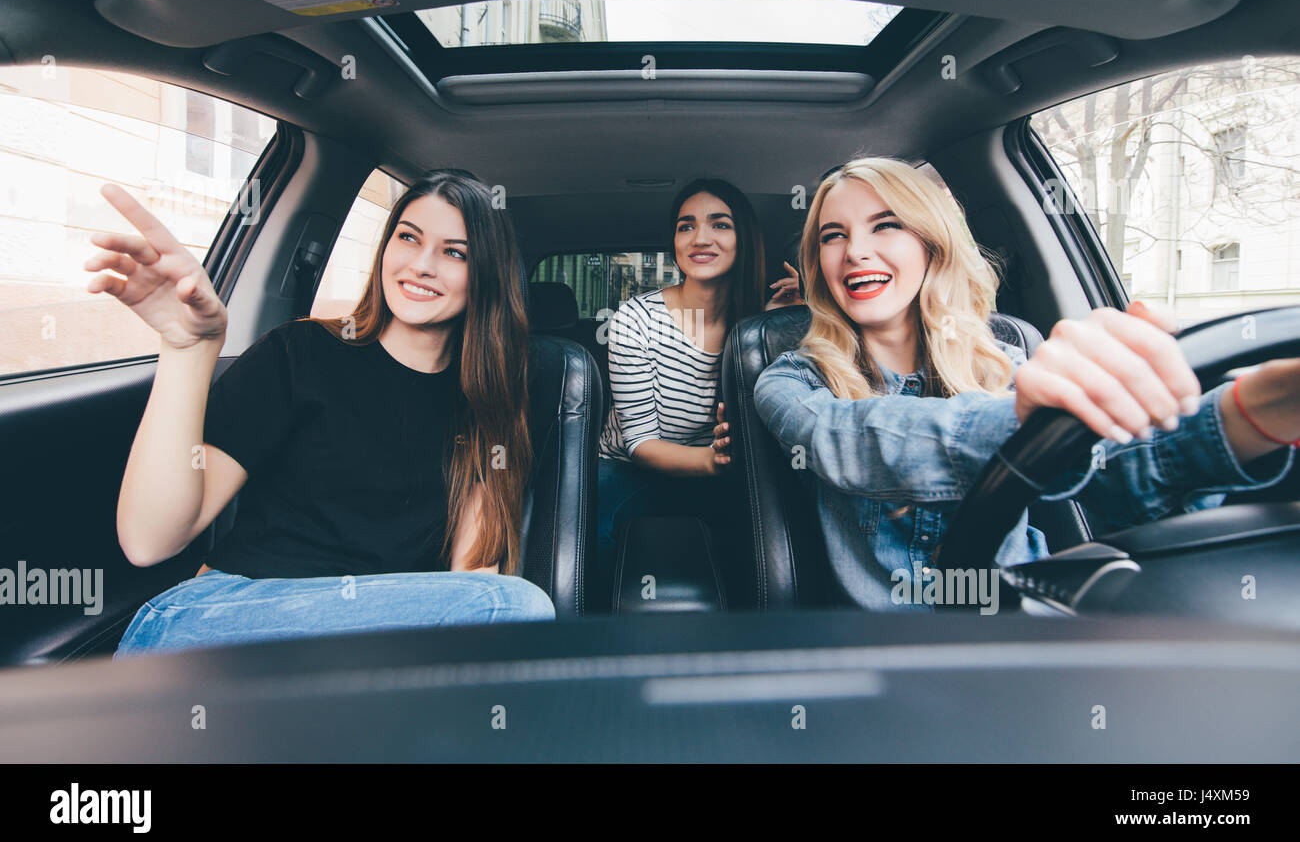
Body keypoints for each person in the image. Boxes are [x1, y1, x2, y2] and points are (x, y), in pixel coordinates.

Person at [753, 156, 1299, 611]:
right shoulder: (788, 378)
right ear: (818, 262)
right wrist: (1018, 421)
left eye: (886, 224)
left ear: (931, 243)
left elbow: (1114, 471)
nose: (855, 251)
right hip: (887, 653)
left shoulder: (1008, 361)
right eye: (833, 236)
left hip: (1027, 622)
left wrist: (1252, 411)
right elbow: (849, 439)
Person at [89, 170, 555, 657]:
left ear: (487, 275)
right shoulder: (298, 354)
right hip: (223, 619)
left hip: (369, 643)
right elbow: (149, 542)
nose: (421, 265)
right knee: (517, 607)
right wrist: (187, 349)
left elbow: (471, 589)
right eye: (408, 238)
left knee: (508, 609)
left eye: (454, 252)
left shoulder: (487, 408)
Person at [594, 178, 802, 599]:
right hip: (628, 470)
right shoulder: (635, 321)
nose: (700, 238)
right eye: (686, 226)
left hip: (724, 470)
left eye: (719, 224)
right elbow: (640, 443)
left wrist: (791, 322)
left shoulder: (761, 323)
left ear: (744, 238)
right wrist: (713, 462)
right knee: (595, 539)